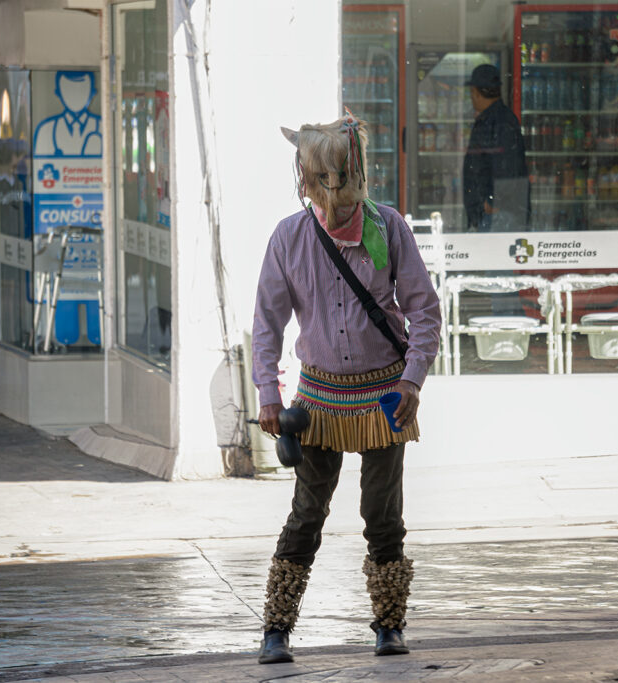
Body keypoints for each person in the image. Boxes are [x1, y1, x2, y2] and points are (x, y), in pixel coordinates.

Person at [253, 114, 441, 664]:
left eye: (340, 179)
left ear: (355, 175)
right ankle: (276, 630)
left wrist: (412, 381)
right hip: (318, 401)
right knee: (306, 514)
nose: (331, 193)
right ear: (307, 180)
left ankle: (389, 625)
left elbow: (424, 311)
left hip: (385, 395)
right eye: (320, 181)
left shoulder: (389, 228)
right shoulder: (288, 237)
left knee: (383, 515)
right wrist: (269, 393)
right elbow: (268, 322)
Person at [462, 64, 529, 232]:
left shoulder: (499, 122)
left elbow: (507, 166)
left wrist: (492, 201)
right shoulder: (496, 119)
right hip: (494, 212)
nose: (472, 98)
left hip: (498, 214)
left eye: (472, 92)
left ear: (478, 93)